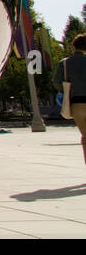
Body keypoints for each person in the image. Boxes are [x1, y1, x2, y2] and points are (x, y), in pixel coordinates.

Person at [53, 34, 86, 167]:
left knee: (85, 136)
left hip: (77, 103)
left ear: (74, 46)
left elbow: (56, 82)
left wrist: (67, 91)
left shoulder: (65, 63)